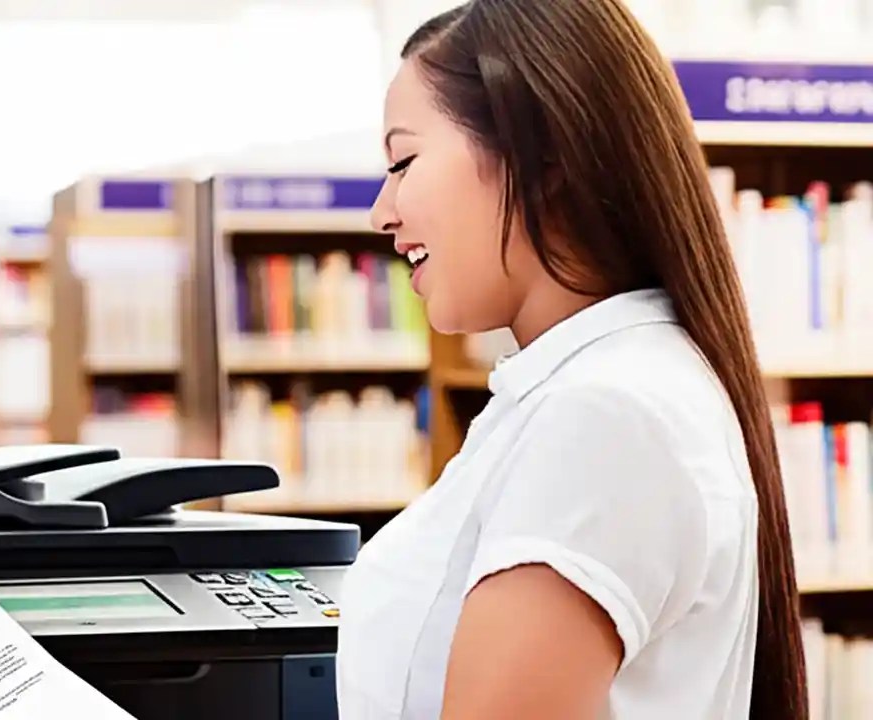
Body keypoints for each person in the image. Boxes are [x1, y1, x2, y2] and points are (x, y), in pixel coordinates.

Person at [337, 1, 807, 719]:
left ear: (541, 156)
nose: (383, 210)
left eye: (404, 161)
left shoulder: (606, 417)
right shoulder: (590, 390)